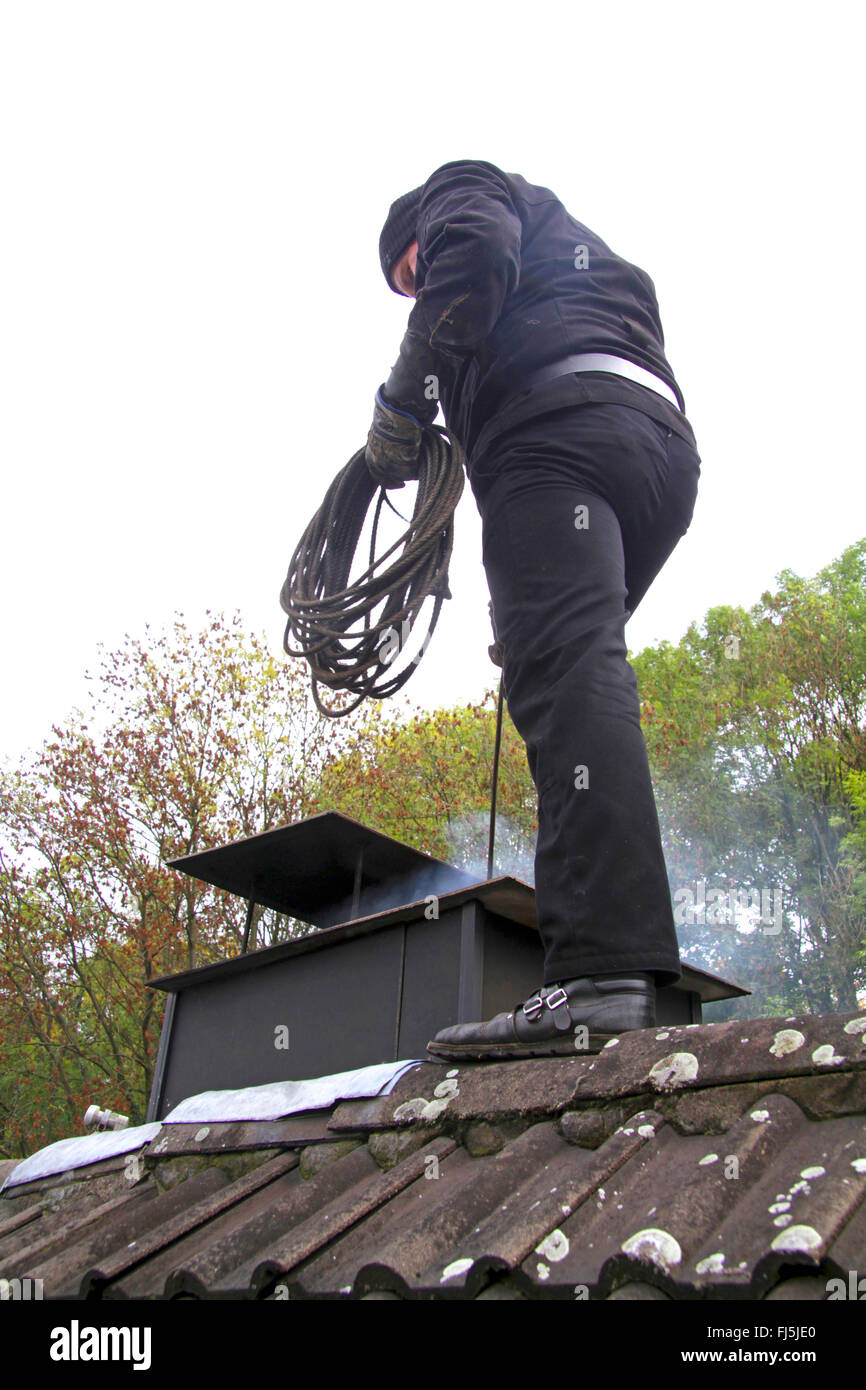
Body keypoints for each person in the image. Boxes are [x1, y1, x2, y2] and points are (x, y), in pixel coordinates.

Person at [366, 159, 701, 1060]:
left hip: (556, 436)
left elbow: (468, 260)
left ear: (417, 234)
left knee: (567, 675)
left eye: (411, 274)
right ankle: (617, 967)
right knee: (569, 671)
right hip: (655, 451)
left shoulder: (462, 192)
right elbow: (478, 296)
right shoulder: (570, 262)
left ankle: (599, 980)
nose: (416, 293)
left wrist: (400, 397)